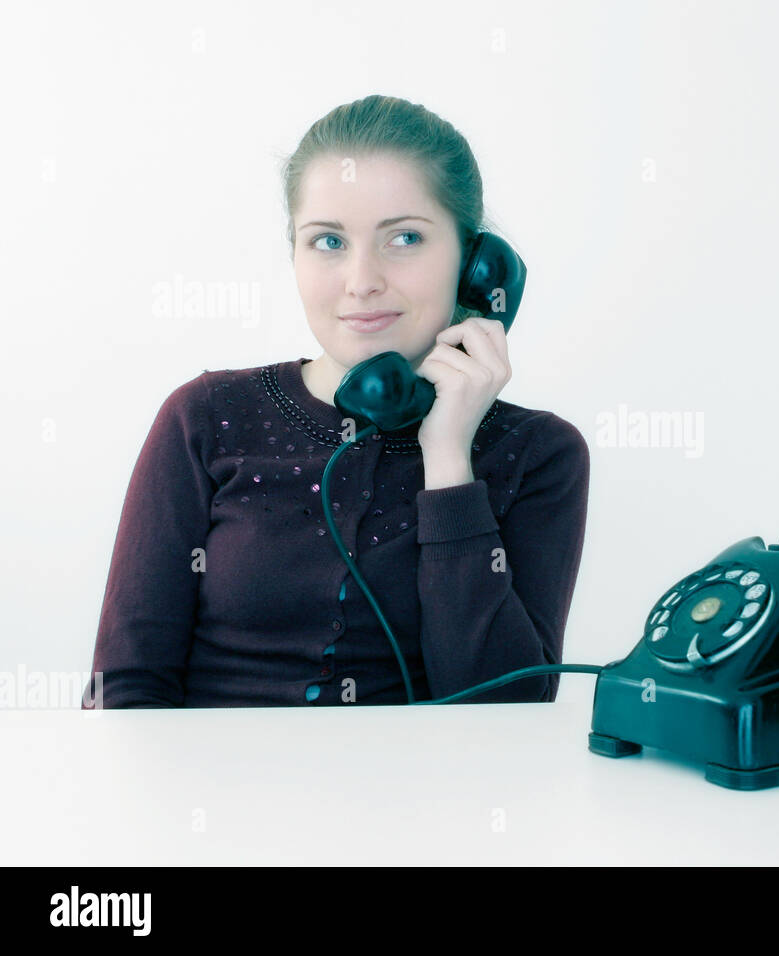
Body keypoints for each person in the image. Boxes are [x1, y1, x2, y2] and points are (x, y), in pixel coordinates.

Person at [85, 94, 590, 707]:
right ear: (294, 252)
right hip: (214, 798)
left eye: (404, 237)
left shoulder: (538, 454)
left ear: (475, 265)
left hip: (430, 802)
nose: (362, 280)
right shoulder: (207, 417)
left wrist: (450, 466)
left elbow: (505, 716)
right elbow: (126, 689)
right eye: (328, 242)